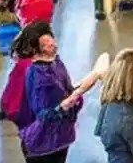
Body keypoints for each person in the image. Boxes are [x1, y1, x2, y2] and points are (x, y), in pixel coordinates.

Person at [17, 24, 82, 163]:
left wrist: (73, 97)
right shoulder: (37, 74)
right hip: (43, 143)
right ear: (35, 49)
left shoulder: (56, 63)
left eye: (51, 41)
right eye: (46, 44)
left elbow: (66, 89)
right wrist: (62, 107)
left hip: (59, 138)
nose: (52, 45)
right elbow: (42, 113)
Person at [1, 22, 50, 129]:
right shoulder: (48, 65)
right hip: (38, 113)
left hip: (20, 112)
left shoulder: (23, 65)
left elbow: (10, 92)